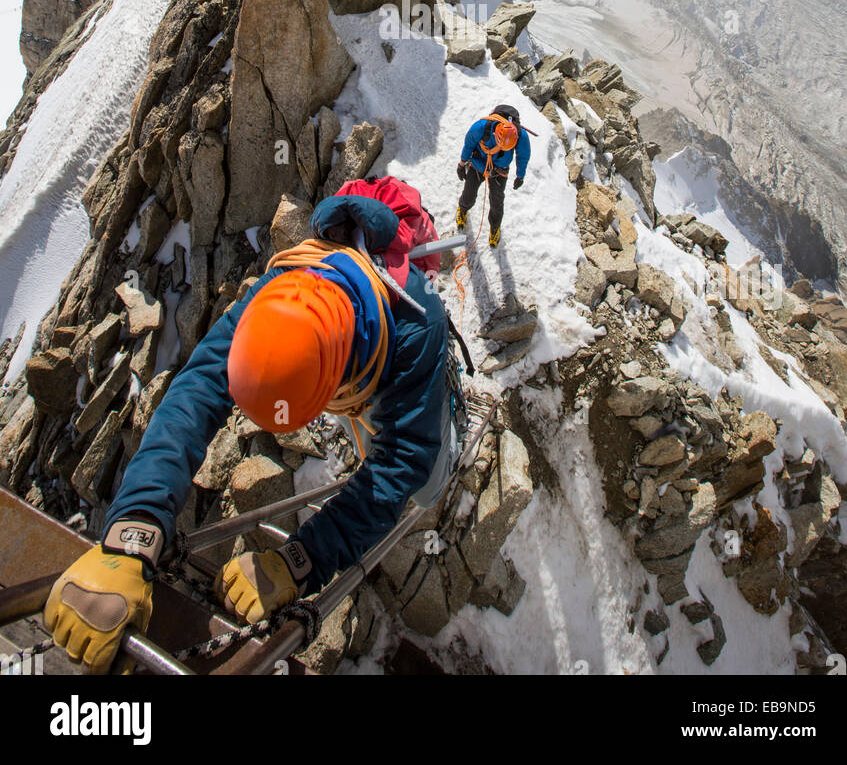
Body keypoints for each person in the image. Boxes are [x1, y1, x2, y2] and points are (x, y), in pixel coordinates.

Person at [43, 179, 455, 675]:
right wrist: (133, 533)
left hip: (390, 367)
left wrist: (302, 560)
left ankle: (447, 433)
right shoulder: (275, 292)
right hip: (358, 368)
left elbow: (404, 458)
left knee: (425, 483)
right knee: (378, 454)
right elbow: (197, 392)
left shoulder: (417, 321)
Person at [456, 104, 530, 247]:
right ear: (496, 134)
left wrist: (520, 175)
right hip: (479, 163)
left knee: (497, 202)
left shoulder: (521, 136)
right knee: (469, 193)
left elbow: (523, 156)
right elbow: (469, 145)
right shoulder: (481, 127)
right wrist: (462, 163)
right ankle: (463, 208)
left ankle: (495, 227)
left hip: (499, 170)